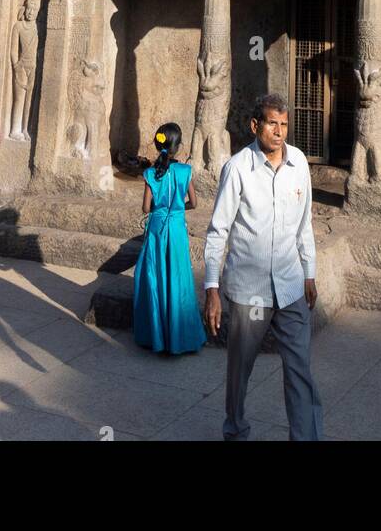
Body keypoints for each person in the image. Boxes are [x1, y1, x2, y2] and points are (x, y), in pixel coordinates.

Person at [203, 93, 323, 441]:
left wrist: (310, 272)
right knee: (241, 370)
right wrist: (212, 290)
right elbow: (218, 231)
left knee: (300, 370)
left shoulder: (299, 164)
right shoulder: (238, 168)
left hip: (291, 287)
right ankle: (236, 430)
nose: (279, 131)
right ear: (256, 125)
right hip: (250, 293)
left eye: (284, 124)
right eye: (272, 123)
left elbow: (305, 225)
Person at [132, 122, 206, 355]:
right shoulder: (185, 171)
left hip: (156, 227)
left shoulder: (150, 174)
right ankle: (180, 337)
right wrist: (177, 208)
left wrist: (160, 208)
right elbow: (194, 203)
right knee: (178, 277)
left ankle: (154, 336)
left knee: (154, 277)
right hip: (176, 227)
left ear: (157, 144)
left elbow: (146, 208)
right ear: (179, 146)